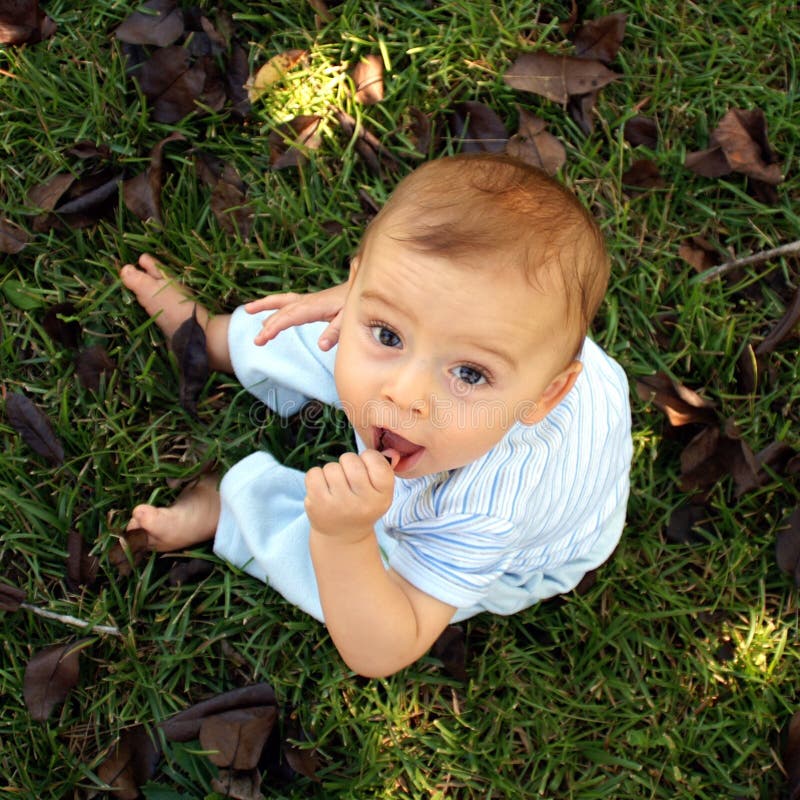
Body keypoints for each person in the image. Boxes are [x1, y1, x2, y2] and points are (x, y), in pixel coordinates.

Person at [121, 153, 632, 678]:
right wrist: (364, 304)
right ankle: (210, 338)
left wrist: (345, 538)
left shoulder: (486, 509)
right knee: (336, 331)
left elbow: (385, 648)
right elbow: (434, 312)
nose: (404, 393)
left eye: (471, 374)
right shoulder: (505, 330)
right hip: (469, 361)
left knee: (357, 584)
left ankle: (232, 513)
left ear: (547, 394)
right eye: (391, 332)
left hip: (529, 554)